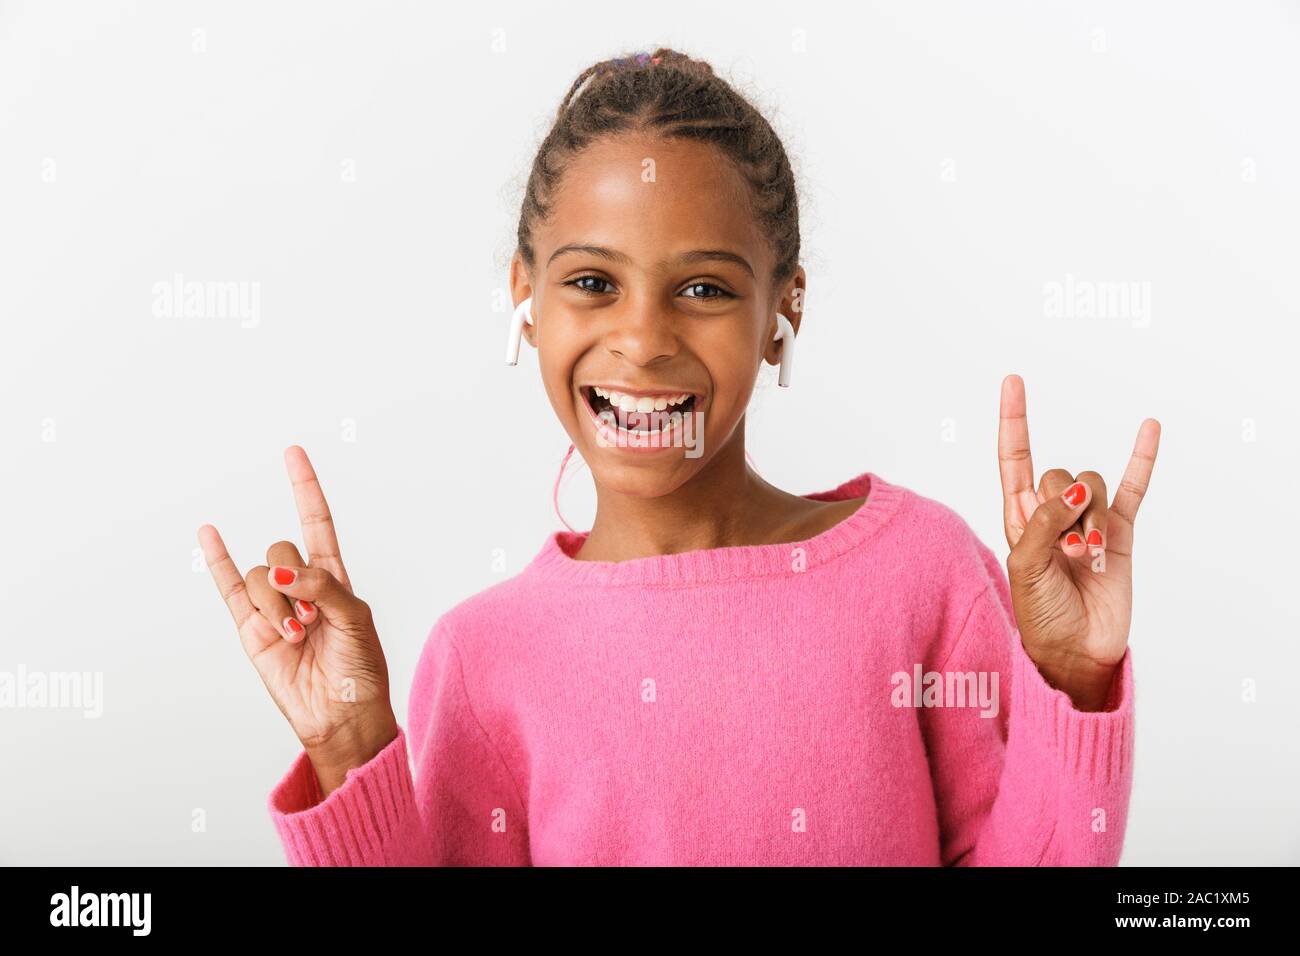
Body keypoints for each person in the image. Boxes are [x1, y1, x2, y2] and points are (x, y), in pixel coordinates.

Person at [198, 48, 1160, 865]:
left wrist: (1072, 677)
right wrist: (349, 744)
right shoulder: (481, 660)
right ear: (524, 298)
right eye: (592, 283)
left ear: (783, 308)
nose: (645, 338)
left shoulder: (924, 575)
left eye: (702, 287)